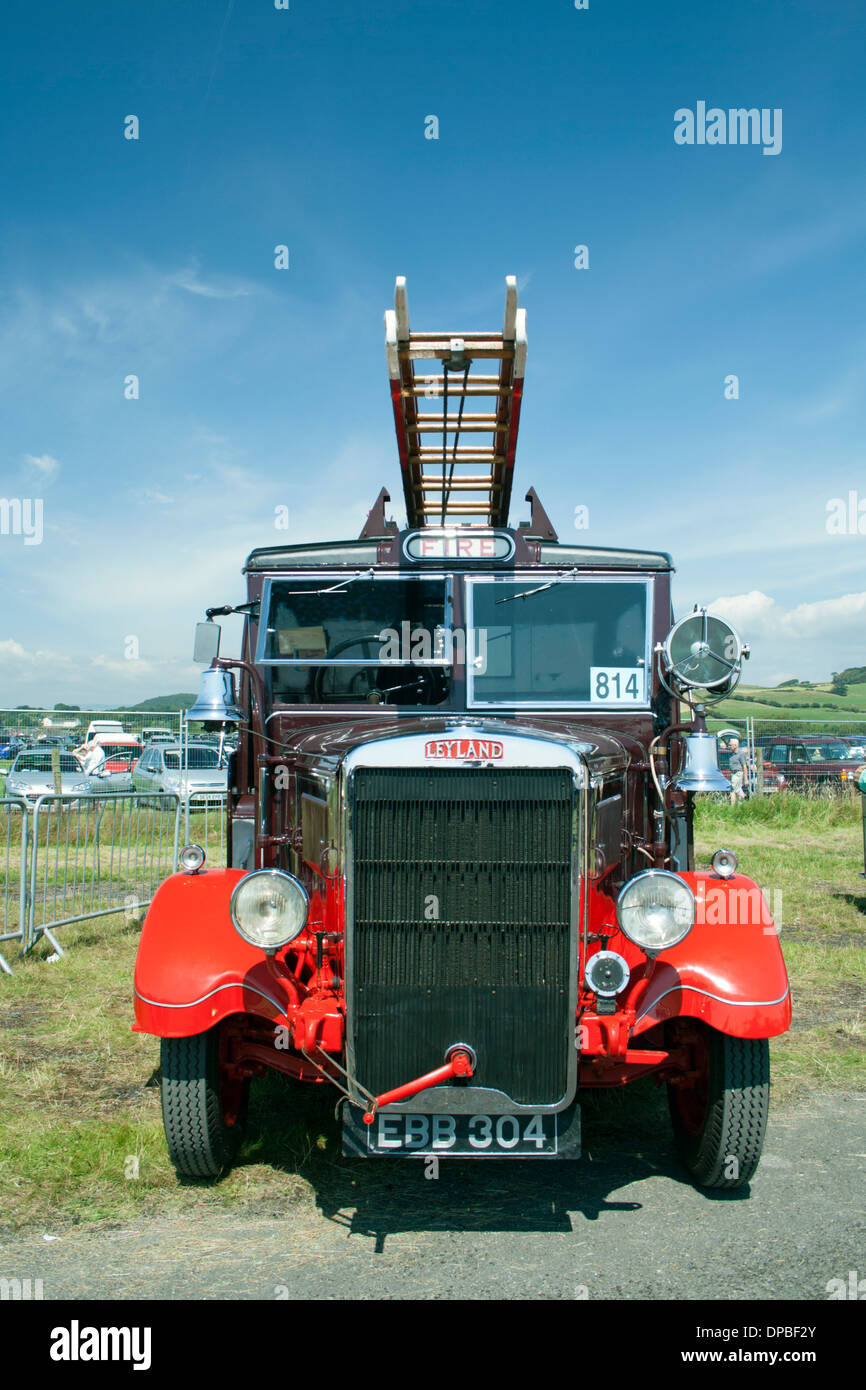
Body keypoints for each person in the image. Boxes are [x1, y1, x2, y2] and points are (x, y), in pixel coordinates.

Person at [728, 738, 748, 806]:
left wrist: (746, 779)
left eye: (730, 745)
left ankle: (732, 806)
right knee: (738, 789)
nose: (729, 746)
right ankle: (744, 797)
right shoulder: (732, 754)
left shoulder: (741, 754)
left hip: (738, 773)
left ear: (735, 745)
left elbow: (744, 766)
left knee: (733, 790)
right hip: (733, 773)